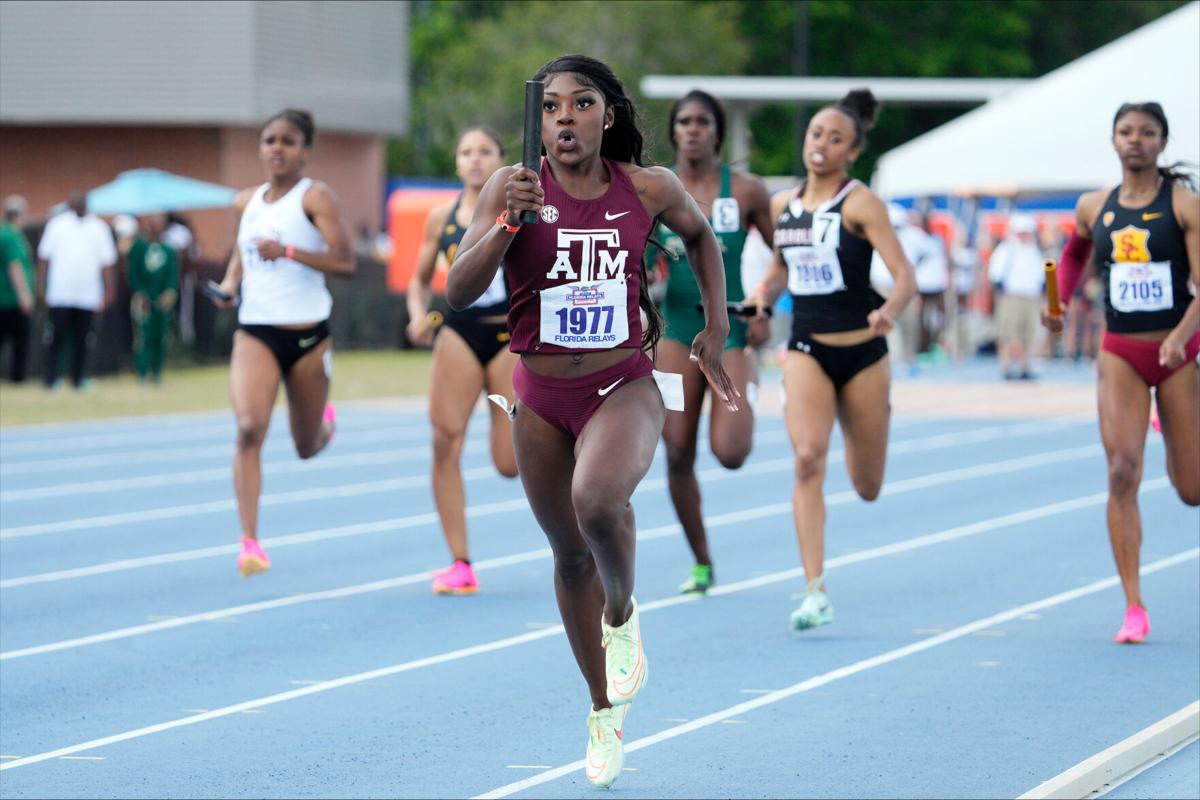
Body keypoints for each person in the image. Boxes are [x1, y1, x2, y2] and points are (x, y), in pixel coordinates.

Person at [448, 54, 737, 789]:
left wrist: (716, 325)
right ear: (538, 121)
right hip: (539, 395)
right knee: (569, 557)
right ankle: (603, 713)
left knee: (598, 502)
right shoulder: (511, 187)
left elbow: (702, 238)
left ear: (608, 115)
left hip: (623, 384)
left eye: (581, 104)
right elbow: (457, 290)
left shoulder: (647, 187)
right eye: (550, 107)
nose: (564, 119)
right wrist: (506, 225)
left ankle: (621, 612)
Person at [744, 89, 916, 632]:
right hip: (807, 348)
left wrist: (888, 311)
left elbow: (905, 277)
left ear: (852, 152)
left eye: (835, 138)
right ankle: (814, 590)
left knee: (867, 486)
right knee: (806, 459)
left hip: (863, 351)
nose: (821, 143)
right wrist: (762, 296)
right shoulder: (783, 205)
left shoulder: (861, 204)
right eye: (817, 132)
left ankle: (867, 421)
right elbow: (781, 267)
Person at [1043, 101, 1198, 644]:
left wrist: (1179, 337)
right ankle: (1134, 605)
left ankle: (1171, 423)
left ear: (1162, 142)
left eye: (1147, 132)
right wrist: (1056, 303)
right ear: (1113, 141)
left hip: (1178, 353)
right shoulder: (1094, 205)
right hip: (1120, 354)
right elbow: (1068, 259)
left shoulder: (1184, 206)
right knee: (1121, 472)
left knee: (1192, 490)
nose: (1136, 139)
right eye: (1127, 131)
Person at [211, 108, 356, 577]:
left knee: (306, 446)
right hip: (256, 330)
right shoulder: (246, 202)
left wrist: (289, 251)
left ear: (305, 151)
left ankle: (325, 426)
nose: (277, 148)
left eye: (288, 141)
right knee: (249, 428)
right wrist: (230, 285)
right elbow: (243, 251)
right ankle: (250, 542)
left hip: (308, 335)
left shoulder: (315, 197)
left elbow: (346, 262)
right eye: (269, 139)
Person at [652, 90, 773, 595]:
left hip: (730, 331)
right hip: (677, 330)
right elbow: (636, 255)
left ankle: (750, 379)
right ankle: (702, 561)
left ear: (717, 131)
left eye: (703, 121)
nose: (693, 129)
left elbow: (786, 254)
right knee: (677, 450)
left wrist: (766, 301)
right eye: (684, 121)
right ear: (674, 130)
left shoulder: (746, 191)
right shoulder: (657, 187)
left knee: (731, 452)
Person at [405, 127, 519, 594]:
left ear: (501, 160)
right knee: (444, 440)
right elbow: (418, 279)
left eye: (484, 151)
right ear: (456, 163)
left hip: (511, 331)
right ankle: (460, 562)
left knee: (510, 462)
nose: (475, 160)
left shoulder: (522, 208)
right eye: (466, 152)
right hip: (460, 329)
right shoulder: (441, 217)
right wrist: (417, 315)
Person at [36, 191, 117, 391]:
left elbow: (107, 263)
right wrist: (41, 286)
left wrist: (109, 290)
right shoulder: (57, 225)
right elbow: (44, 258)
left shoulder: (99, 227)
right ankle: (51, 379)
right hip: (60, 293)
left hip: (88, 294)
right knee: (56, 338)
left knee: (82, 339)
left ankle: (78, 379)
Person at [988, 213, 1046, 379]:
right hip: (1011, 296)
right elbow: (995, 273)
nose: (1024, 236)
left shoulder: (1035, 251)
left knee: (1028, 334)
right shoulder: (1006, 249)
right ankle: (1006, 366)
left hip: (1031, 297)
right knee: (1007, 333)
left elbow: (1042, 273)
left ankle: (1024, 367)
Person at [124, 212, 179, 383]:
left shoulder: (169, 250)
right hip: (144, 300)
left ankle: (157, 373)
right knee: (143, 336)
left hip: (162, 301)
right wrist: (140, 293)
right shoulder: (138, 247)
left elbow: (173, 274)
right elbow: (133, 273)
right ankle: (142, 373)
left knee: (161, 336)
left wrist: (170, 292)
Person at [0, 195, 35, 382]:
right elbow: (14, 266)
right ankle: (17, 378)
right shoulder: (11, 236)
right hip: (10, 299)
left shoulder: (5, 233)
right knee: (20, 341)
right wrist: (24, 295)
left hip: (5, 298)